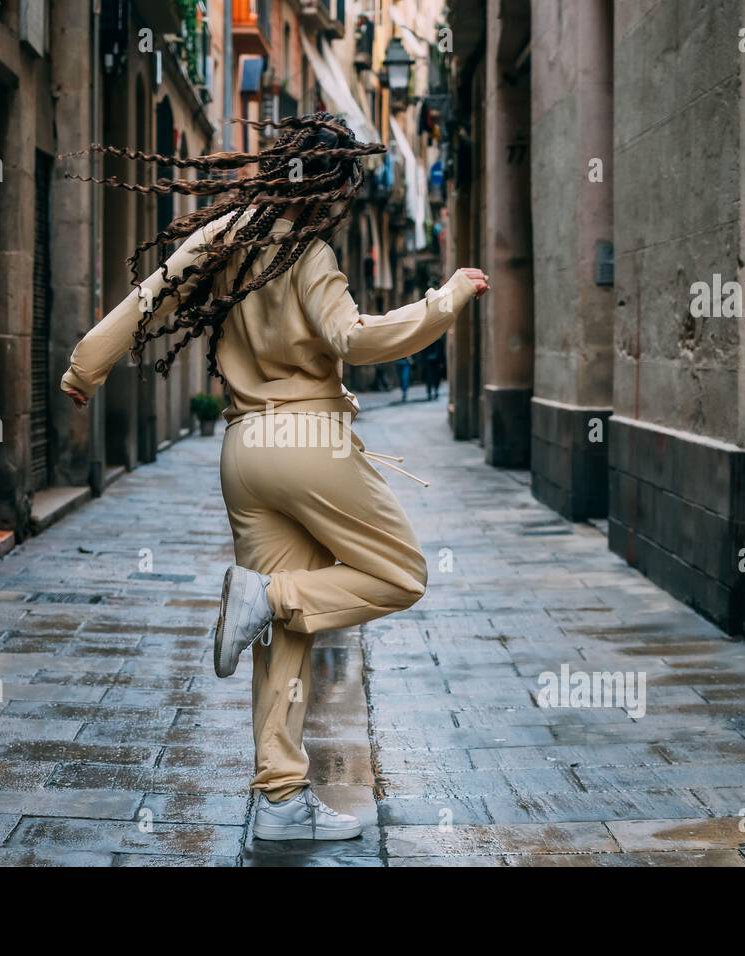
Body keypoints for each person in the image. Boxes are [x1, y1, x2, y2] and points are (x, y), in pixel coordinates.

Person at [59, 112, 489, 841]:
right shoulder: (308, 251)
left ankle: (282, 801)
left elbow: (150, 294)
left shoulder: (227, 237)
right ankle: (271, 597)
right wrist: (442, 300)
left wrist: (84, 367)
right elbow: (352, 337)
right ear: (326, 186)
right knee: (401, 573)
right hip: (307, 443)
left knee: (280, 637)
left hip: (242, 452)